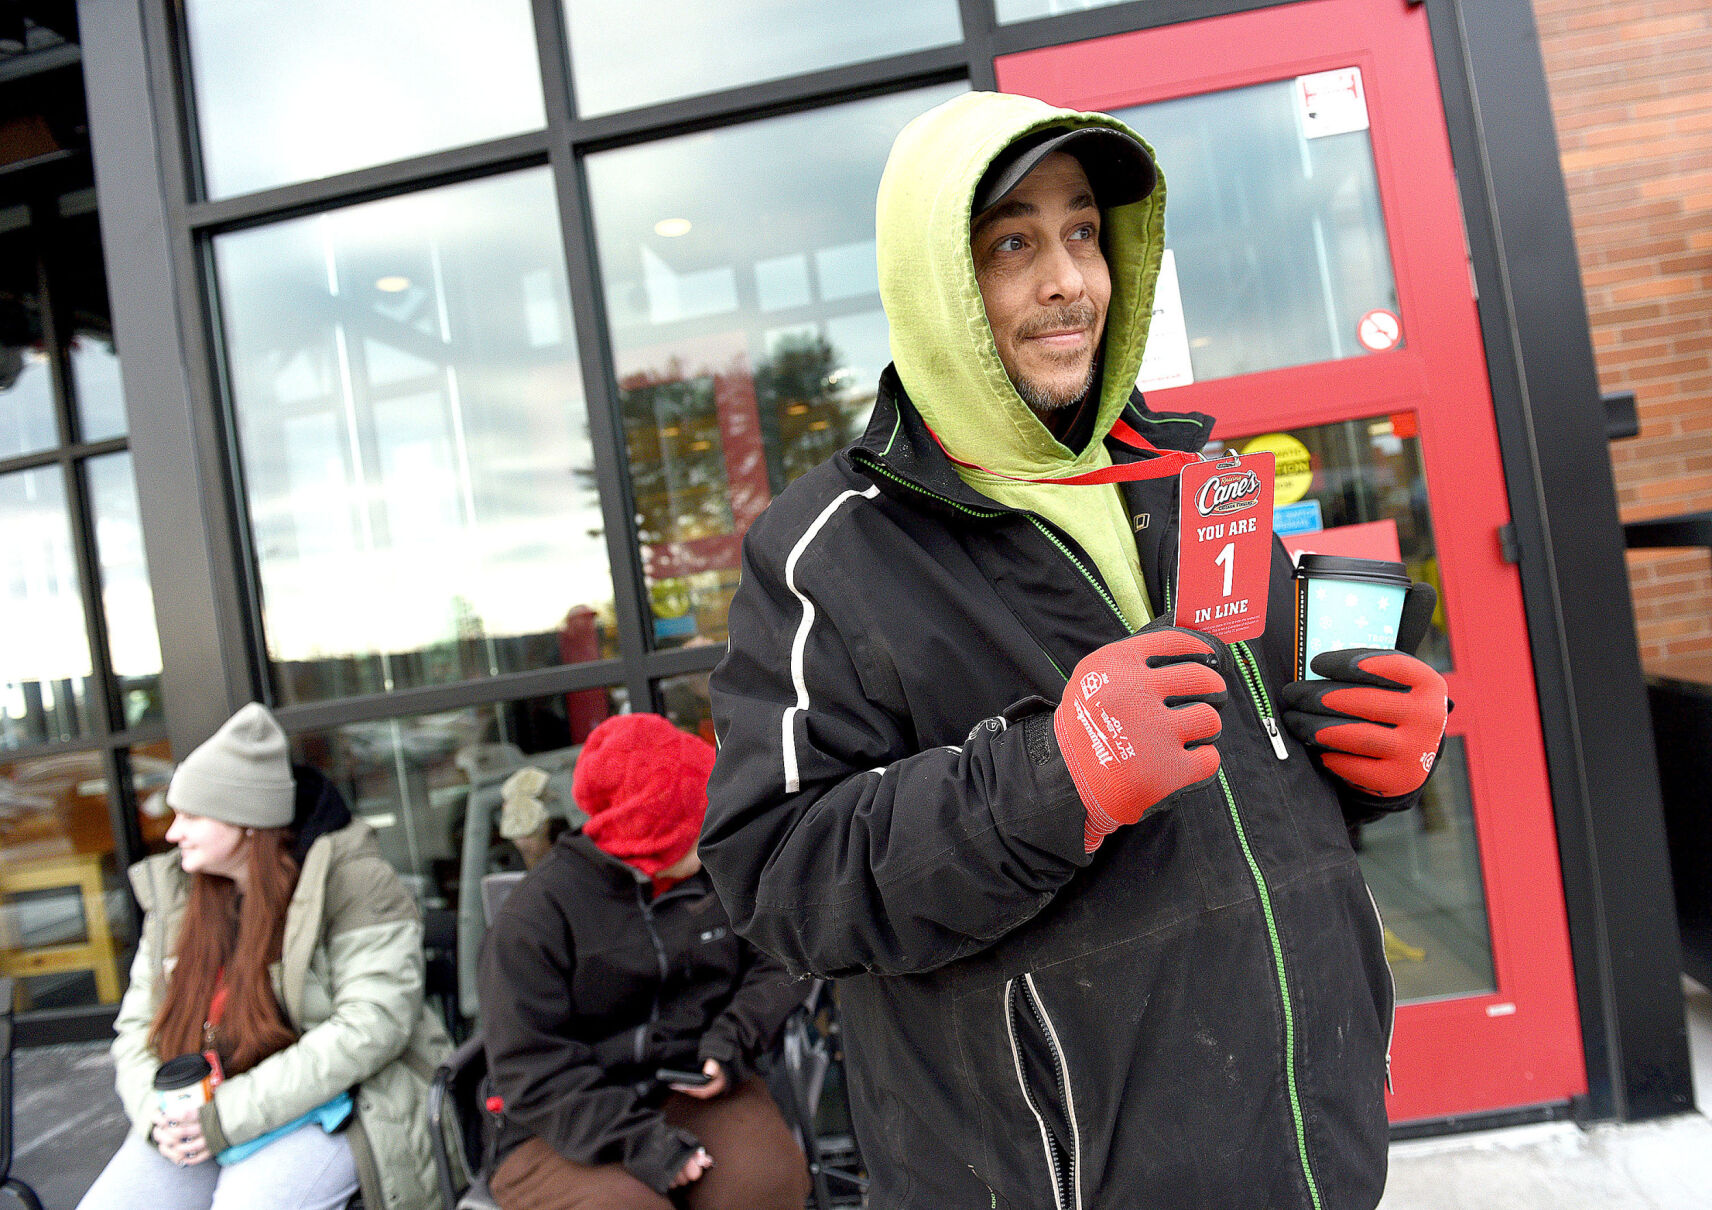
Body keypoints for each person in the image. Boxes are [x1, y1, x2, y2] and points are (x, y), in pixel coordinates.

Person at [701, 90, 1450, 1210]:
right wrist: (1055, 777)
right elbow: (779, 878)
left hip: (1310, 1153)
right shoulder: (825, 553)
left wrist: (1378, 756)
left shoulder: (1195, 480)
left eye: (1083, 234)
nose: (1067, 281)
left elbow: (1267, 767)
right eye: (1012, 242)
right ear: (936, 282)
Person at [81, 702, 449, 1210]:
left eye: (191, 815)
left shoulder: (354, 880)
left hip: (348, 1104)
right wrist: (157, 1116)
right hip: (206, 1110)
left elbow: (373, 1025)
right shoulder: (180, 895)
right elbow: (137, 1028)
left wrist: (225, 1117)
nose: (172, 833)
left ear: (248, 822)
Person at [477, 712, 811, 1210]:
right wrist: (644, 1144)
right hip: (560, 1120)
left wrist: (730, 1040)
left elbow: (779, 959)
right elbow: (532, 1068)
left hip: (688, 1082)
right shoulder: (535, 920)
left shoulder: (714, 877)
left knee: (764, 1183)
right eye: (700, 822)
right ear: (653, 839)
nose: (714, 834)